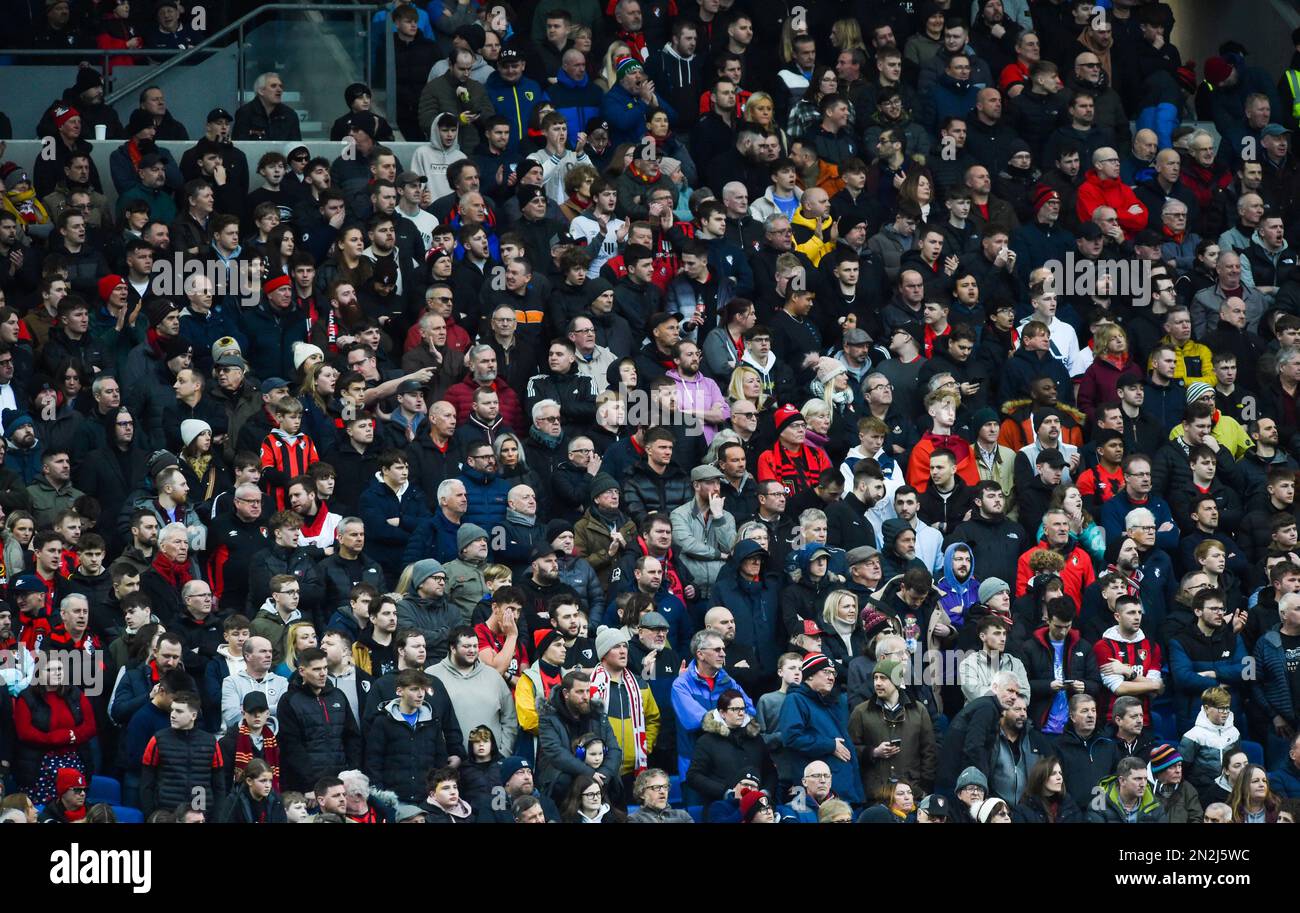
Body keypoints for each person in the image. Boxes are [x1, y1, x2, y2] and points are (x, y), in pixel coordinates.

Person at [776, 652, 864, 806]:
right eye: (826, 672)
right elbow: (792, 738)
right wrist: (830, 745)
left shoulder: (831, 703)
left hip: (846, 793)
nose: (831, 677)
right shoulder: (795, 700)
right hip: (819, 798)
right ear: (809, 676)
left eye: (833, 673)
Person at [848, 658, 937, 798]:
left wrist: (924, 787)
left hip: (912, 790)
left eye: (883, 678)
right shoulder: (861, 712)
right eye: (875, 678)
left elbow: (929, 751)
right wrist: (873, 752)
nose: (877, 683)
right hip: (876, 792)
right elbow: (850, 750)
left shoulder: (918, 710)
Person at [138, 690, 226, 816]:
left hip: (199, 812)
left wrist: (217, 818)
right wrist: (151, 816)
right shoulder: (157, 740)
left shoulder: (211, 742)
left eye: (179, 711)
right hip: (166, 813)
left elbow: (219, 787)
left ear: (193, 716)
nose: (172, 715)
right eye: (172, 710)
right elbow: (146, 785)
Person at [1087, 755, 1169, 823]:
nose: (1143, 784)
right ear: (1122, 780)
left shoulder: (1155, 805)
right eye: (1138, 779)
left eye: (1145, 779)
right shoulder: (1099, 806)